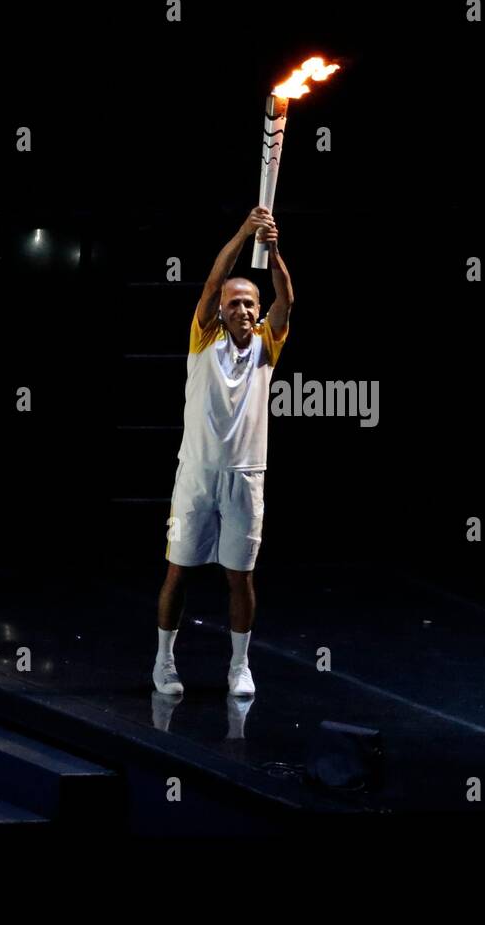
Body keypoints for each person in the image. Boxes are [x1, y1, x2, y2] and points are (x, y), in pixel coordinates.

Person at [153, 206, 293, 697]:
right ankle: (164, 661)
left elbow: (287, 299)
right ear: (220, 311)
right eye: (235, 303)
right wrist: (243, 233)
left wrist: (272, 252)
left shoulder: (266, 345)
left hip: (246, 477)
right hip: (198, 474)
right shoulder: (204, 337)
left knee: (242, 578)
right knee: (179, 572)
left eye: (250, 303)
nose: (244, 309)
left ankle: (239, 665)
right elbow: (213, 282)